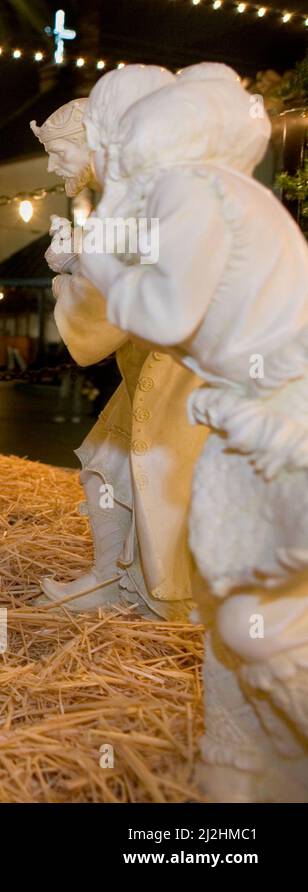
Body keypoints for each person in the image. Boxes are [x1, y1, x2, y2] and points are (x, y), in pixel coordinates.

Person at [79, 62, 308, 800]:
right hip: (257, 412)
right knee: (237, 609)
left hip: (276, 422)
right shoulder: (233, 192)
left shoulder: (188, 191)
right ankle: (246, 775)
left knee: (255, 616)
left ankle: (258, 767)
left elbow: (166, 312)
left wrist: (99, 257)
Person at [31, 72, 208, 620]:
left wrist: (72, 267)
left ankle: (162, 598)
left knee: (161, 472)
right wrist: (81, 259)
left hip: (182, 364)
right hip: (159, 360)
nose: (52, 166)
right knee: (106, 462)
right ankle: (116, 578)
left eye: (59, 152)